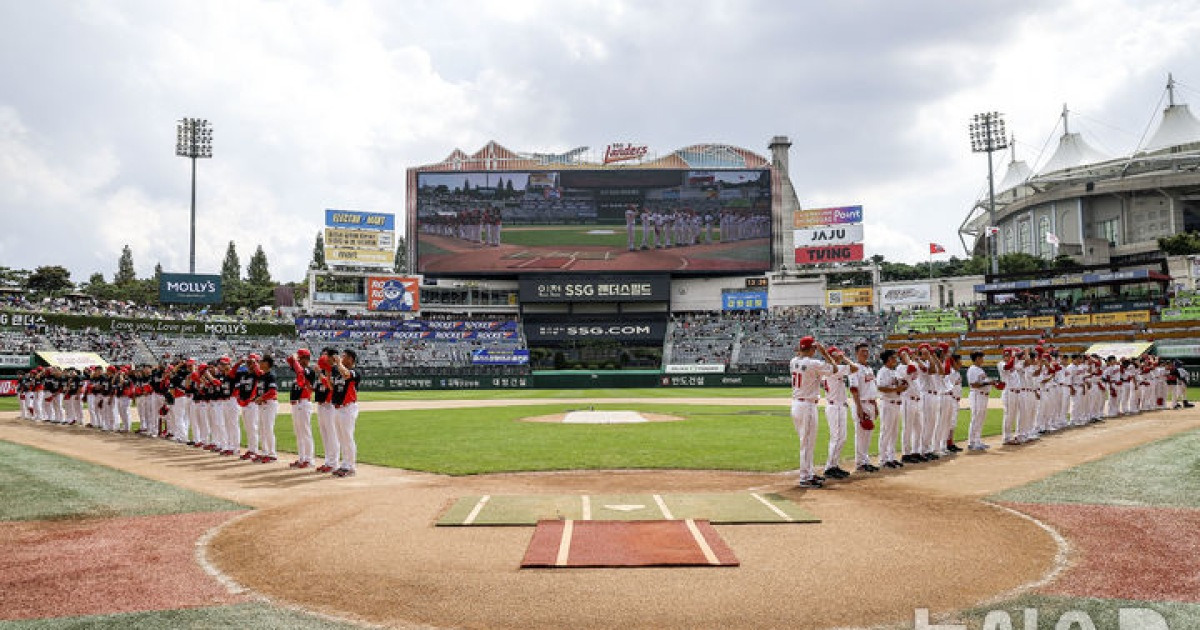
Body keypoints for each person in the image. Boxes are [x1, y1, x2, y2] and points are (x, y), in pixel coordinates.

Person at [789, 336, 835, 488]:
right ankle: (805, 477)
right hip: (807, 406)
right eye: (814, 348)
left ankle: (809, 472)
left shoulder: (793, 361)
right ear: (811, 349)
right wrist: (825, 353)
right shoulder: (813, 363)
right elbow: (833, 368)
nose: (816, 350)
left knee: (807, 442)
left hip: (797, 405)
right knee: (807, 442)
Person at [821, 347, 853, 480]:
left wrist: (839, 357)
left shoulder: (832, 369)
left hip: (839, 406)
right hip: (834, 407)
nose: (841, 357)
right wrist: (844, 359)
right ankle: (829, 467)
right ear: (832, 356)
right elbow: (855, 368)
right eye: (838, 355)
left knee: (842, 438)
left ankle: (834, 465)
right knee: (836, 438)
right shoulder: (833, 369)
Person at [847, 342, 879, 473]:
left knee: (868, 434)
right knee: (861, 434)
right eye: (862, 351)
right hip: (861, 403)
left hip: (870, 403)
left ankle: (865, 460)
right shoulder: (854, 369)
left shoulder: (869, 369)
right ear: (856, 353)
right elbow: (854, 389)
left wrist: (876, 406)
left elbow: (872, 388)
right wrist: (859, 408)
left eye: (867, 351)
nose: (865, 354)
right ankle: (860, 462)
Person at [874, 349, 907, 469]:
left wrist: (902, 386)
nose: (895, 359)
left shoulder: (893, 372)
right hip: (887, 403)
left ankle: (891, 457)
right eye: (893, 357)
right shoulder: (882, 372)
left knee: (894, 432)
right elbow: (881, 388)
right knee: (886, 432)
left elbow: (897, 385)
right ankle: (883, 459)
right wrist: (896, 389)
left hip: (896, 403)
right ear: (888, 359)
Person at [330, 349, 360, 478]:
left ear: (351, 359)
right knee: (341, 438)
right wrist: (326, 372)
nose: (341, 358)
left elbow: (347, 374)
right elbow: (332, 387)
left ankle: (351, 466)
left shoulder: (355, 372)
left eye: (344, 356)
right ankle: (345, 464)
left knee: (347, 437)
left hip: (348, 408)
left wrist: (338, 364)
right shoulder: (337, 374)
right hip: (337, 408)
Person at [286, 349, 317, 469]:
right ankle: (302, 458)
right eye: (299, 358)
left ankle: (309, 460)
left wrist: (295, 360)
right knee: (298, 433)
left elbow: (300, 371)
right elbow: (289, 360)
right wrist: (293, 358)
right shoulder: (299, 367)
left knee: (305, 432)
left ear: (306, 359)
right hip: (296, 405)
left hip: (304, 403)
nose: (298, 360)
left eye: (301, 358)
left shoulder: (309, 371)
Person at [314, 348, 340, 473]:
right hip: (321, 406)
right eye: (322, 354)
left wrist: (321, 374)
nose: (323, 357)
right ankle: (328, 461)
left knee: (331, 435)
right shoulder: (324, 371)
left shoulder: (334, 371)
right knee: (325, 435)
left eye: (326, 355)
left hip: (330, 406)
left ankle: (334, 463)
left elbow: (331, 387)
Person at [254, 356, 279, 463]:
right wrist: (257, 398)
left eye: (262, 361)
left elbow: (272, 392)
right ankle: (264, 452)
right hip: (262, 404)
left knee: (268, 428)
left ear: (267, 363)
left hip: (269, 404)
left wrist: (261, 398)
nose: (260, 363)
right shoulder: (262, 376)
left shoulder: (271, 375)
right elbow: (259, 391)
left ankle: (272, 453)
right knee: (262, 429)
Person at [965, 351, 991, 451]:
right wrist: (987, 382)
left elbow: (982, 382)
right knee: (976, 418)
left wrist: (990, 382)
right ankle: (972, 442)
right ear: (976, 359)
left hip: (983, 396)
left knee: (981, 418)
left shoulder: (979, 369)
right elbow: (973, 384)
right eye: (981, 358)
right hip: (977, 396)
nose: (983, 360)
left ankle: (978, 440)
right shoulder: (972, 369)